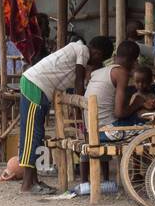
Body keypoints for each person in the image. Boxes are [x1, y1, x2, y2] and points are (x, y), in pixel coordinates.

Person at [16, 35, 113, 194]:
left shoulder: (75, 53)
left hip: (38, 87)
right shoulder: (82, 50)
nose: (95, 64)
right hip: (35, 85)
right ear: (97, 53)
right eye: (99, 60)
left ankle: (34, 181)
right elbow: (79, 84)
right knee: (32, 135)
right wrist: (81, 108)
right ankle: (26, 185)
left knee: (37, 134)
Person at [84, 39, 142, 128]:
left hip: (91, 129)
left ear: (115, 56)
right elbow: (119, 113)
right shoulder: (121, 73)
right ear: (135, 62)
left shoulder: (100, 71)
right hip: (106, 131)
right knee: (147, 125)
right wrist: (137, 104)